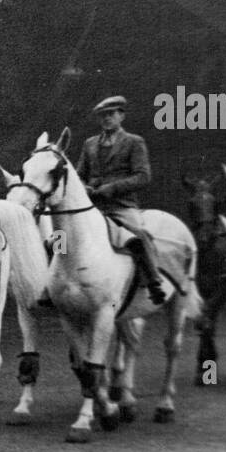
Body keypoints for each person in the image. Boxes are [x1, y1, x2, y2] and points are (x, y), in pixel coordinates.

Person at [77, 95, 165, 305]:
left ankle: (153, 281)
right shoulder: (89, 144)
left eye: (111, 114)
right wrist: (84, 187)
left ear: (121, 116)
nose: (106, 118)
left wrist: (113, 188)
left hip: (121, 205)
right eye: (102, 115)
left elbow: (143, 176)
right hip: (92, 206)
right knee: (60, 234)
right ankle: (51, 281)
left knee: (138, 235)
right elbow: (79, 174)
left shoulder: (134, 142)